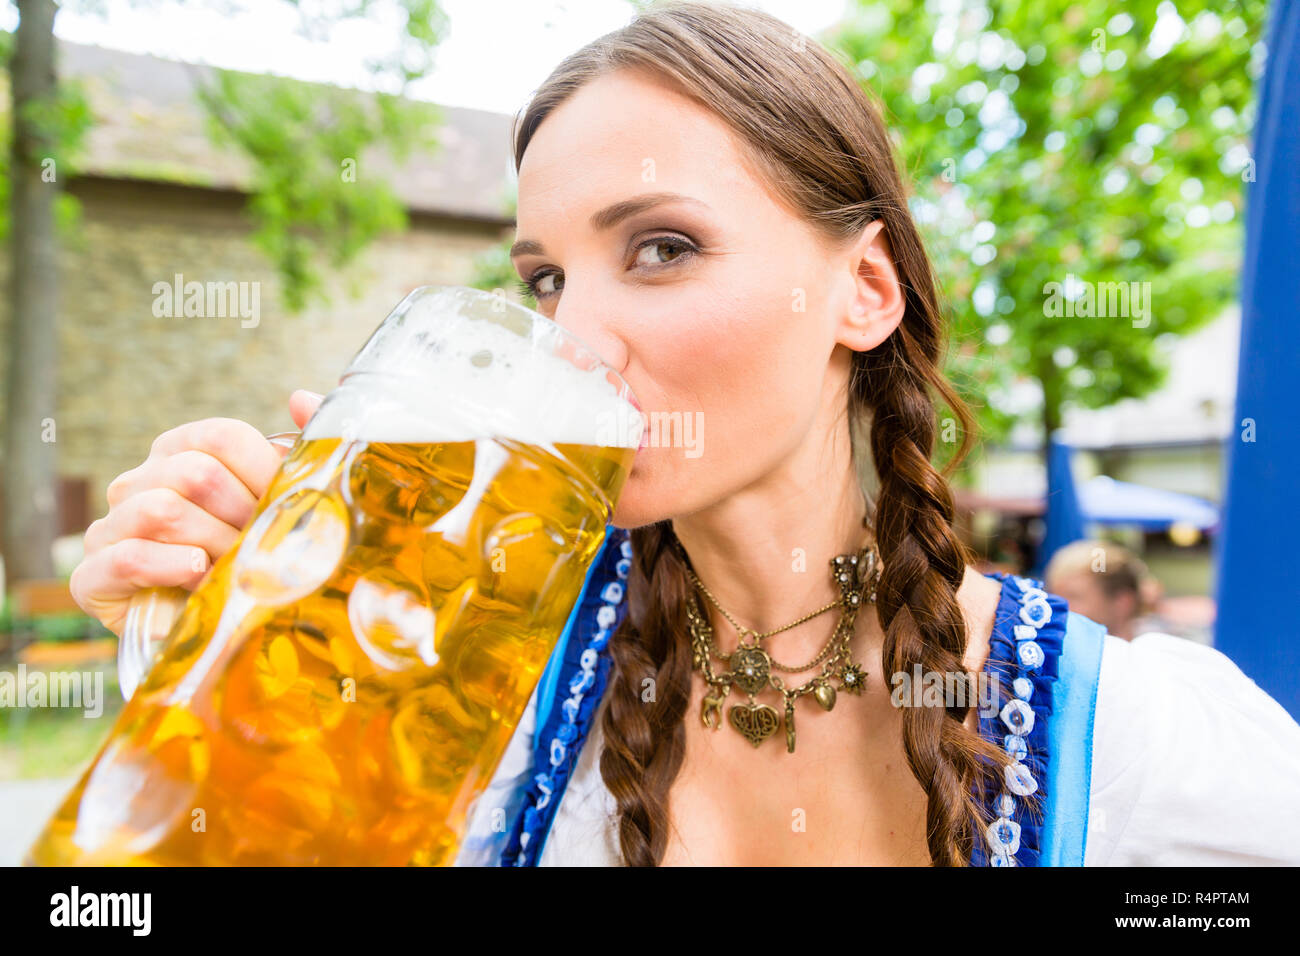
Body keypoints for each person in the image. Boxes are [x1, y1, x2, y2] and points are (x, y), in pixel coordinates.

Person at [70, 1, 1300, 866]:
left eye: (660, 247)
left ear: (864, 290)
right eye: (545, 278)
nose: (570, 338)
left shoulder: (1144, 749)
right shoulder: (475, 677)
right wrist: (217, 655)